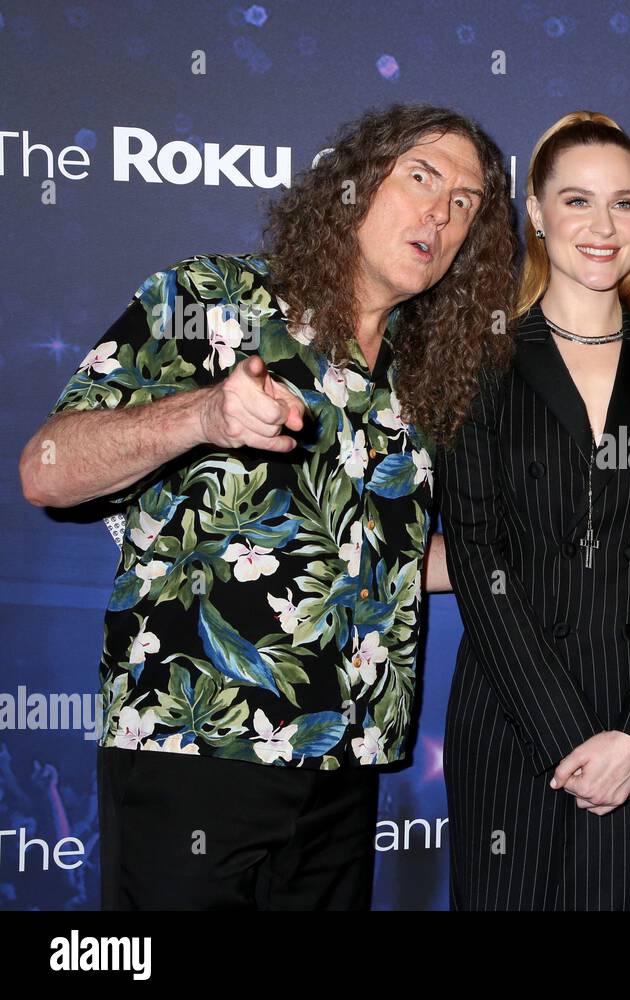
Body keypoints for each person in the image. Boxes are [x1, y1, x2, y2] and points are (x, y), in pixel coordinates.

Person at [18, 104, 515, 910]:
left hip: (343, 770)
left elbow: (376, 561)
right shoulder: (211, 297)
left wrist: (520, 560)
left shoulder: (422, 378)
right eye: (421, 177)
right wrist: (204, 415)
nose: (440, 211)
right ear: (353, 186)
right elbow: (45, 471)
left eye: (466, 203)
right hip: (198, 751)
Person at [438, 111, 630, 910]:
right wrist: (568, 735)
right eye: (577, 201)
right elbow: (474, 549)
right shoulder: (482, 359)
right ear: (534, 211)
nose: (604, 227)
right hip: (510, 721)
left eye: (626, 203)